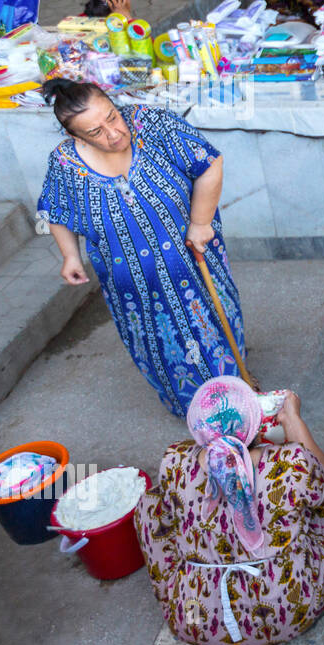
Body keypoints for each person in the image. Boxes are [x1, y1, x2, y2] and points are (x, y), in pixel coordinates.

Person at [38, 82, 247, 417]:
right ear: (76, 136)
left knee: (214, 320)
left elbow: (209, 163)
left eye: (113, 116)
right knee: (161, 343)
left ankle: (237, 391)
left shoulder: (151, 123)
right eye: (96, 130)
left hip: (191, 254)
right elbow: (55, 209)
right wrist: (70, 255)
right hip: (134, 284)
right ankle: (196, 409)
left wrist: (200, 222)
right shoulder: (65, 163)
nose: (114, 133)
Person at [136, 380, 324, 645]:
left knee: (149, 506)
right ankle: (318, 581)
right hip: (288, 613)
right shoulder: (289, 462)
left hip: (194, 618)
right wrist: (292, 419)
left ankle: (182, 588)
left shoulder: (175, 461)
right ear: (257, 426)